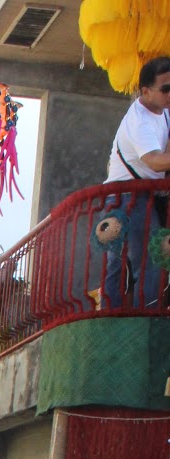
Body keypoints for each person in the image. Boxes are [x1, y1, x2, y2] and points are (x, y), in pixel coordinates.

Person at [104, 56, 170, 308]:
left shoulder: (162, 110)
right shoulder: (139, 121)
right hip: (128, 196)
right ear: (146, 91)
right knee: (146, 259)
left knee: (121, 263)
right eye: (165, 89)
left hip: (139, 195)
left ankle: (116, 316)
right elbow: (154, 161)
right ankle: (143, 318)